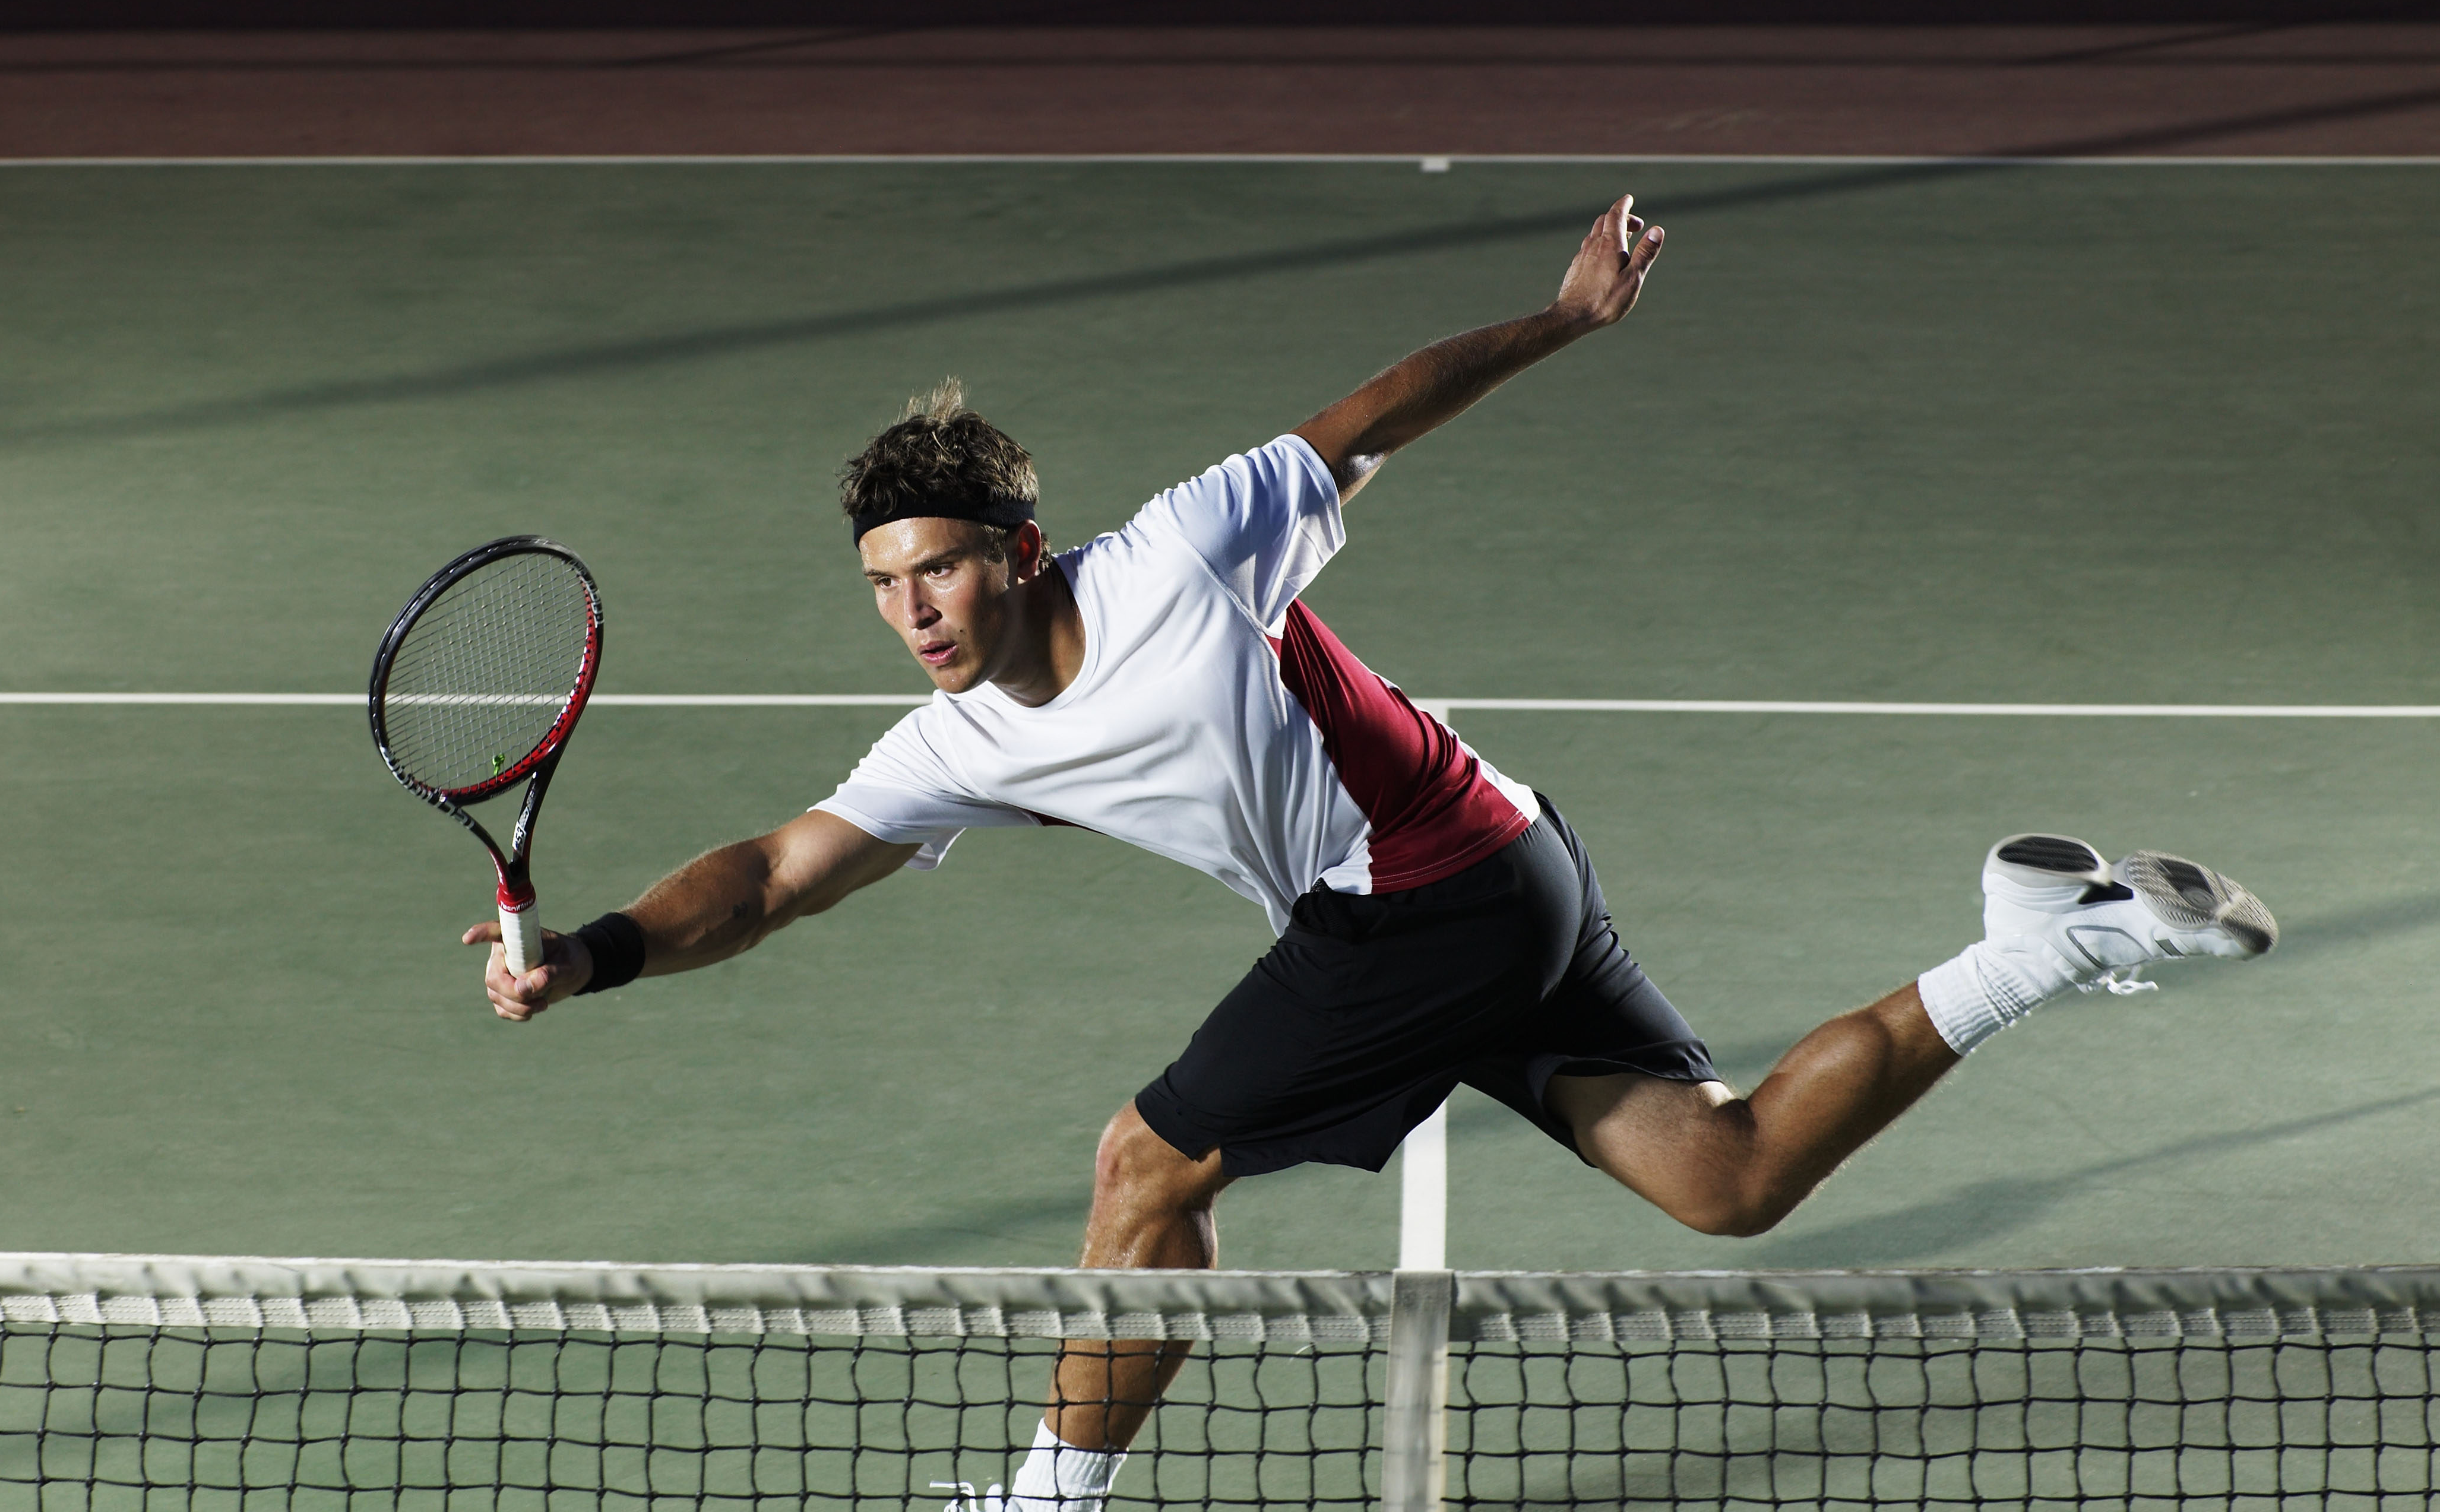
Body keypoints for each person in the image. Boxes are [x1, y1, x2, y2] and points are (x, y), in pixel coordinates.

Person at [464, 196, 2277, 1511]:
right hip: (1506, 866)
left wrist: (1565, 319)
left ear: (1016, 550)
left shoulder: (1180, 555)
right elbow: (771, 877)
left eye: (936, 568)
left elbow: (1374, 414)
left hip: (1423, 889)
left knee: (1143, 1166)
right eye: (882, 585)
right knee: (1726, 1179)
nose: (913, 610)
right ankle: (2044, 935)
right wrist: (594, 951)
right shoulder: (958, 743)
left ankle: (1045, 1506)